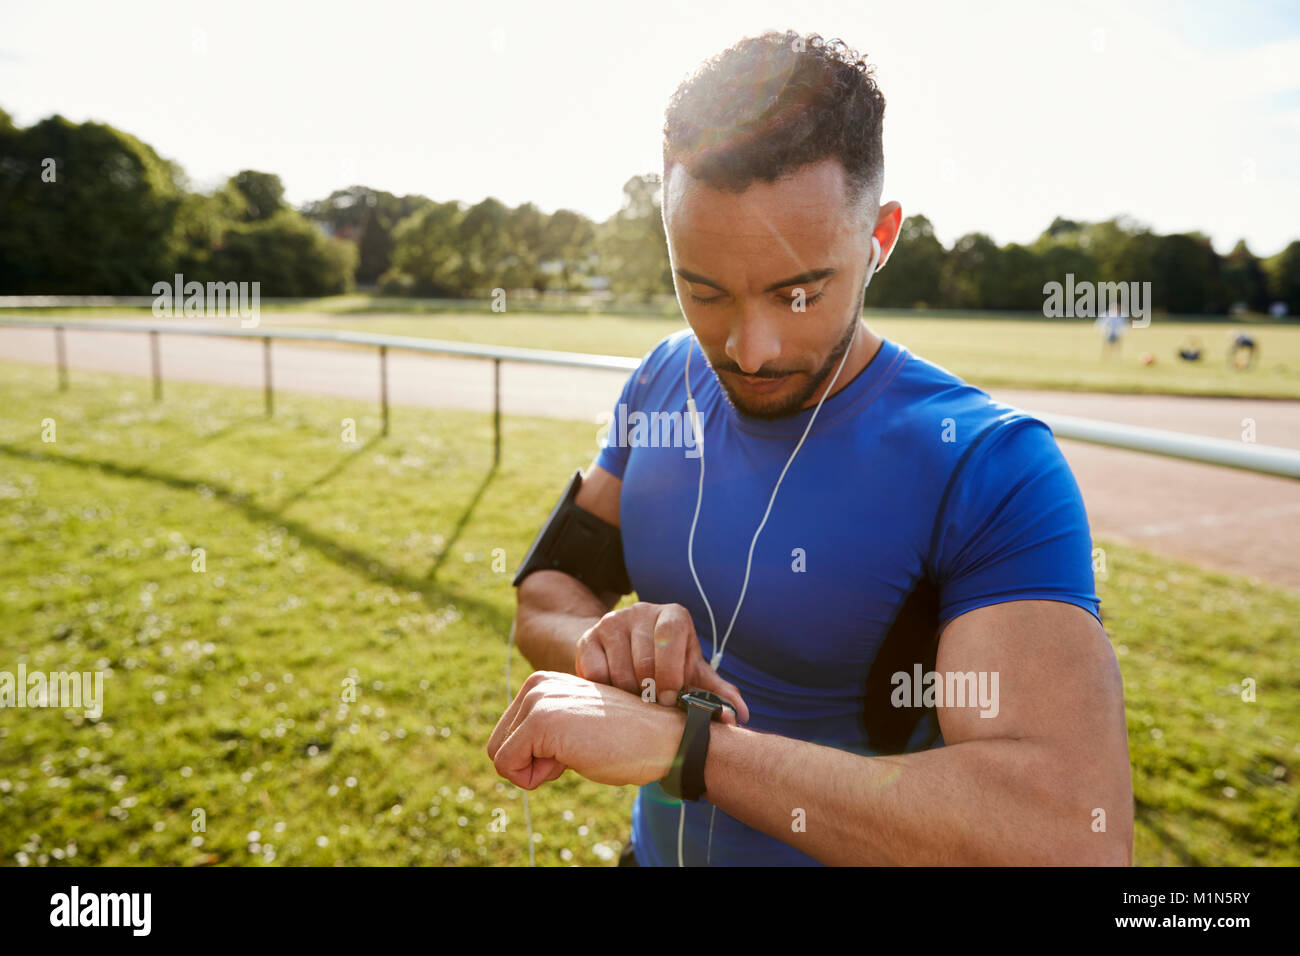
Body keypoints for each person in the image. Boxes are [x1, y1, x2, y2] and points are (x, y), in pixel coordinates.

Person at [488, 30, 1133, 866]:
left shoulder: (990, 466)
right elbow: (547, 590)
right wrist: (598, 645)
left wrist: (689, 748)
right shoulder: (661, 381)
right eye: (704, 290)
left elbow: (1068, 837)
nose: (749, 350)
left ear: (880, 239)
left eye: (800, 293)